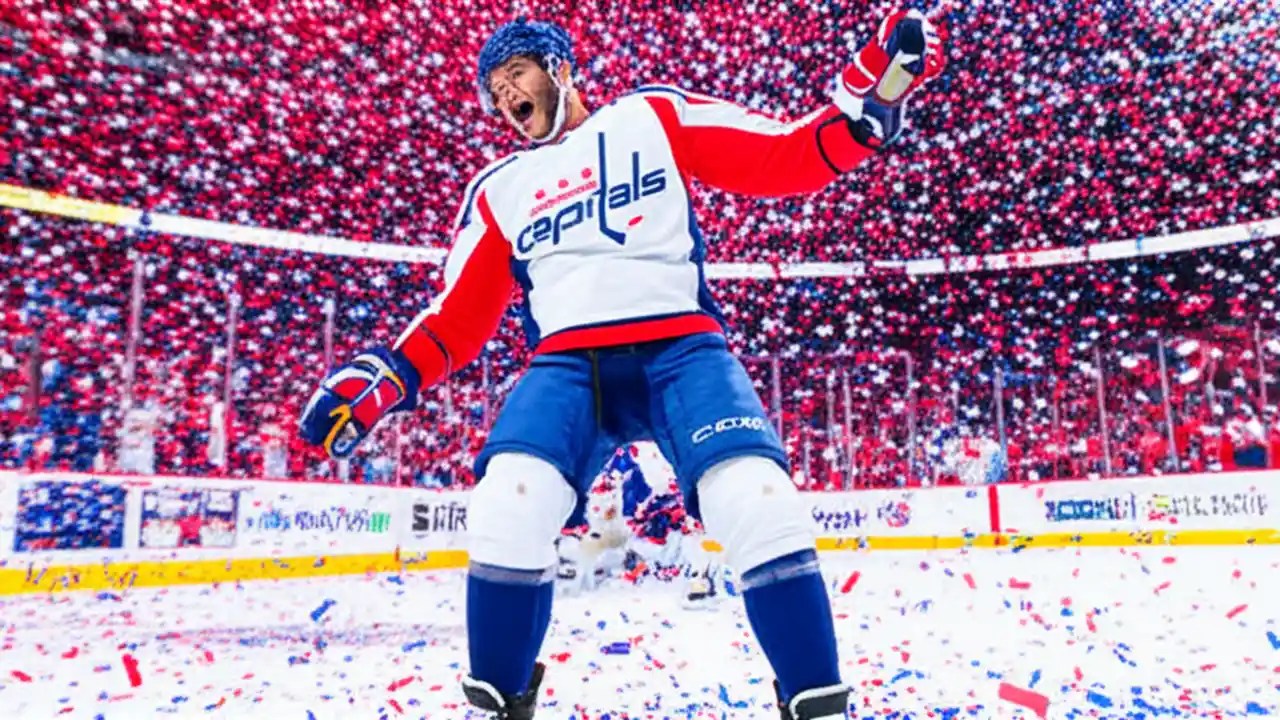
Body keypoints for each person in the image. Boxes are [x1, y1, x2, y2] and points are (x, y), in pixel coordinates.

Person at [299, 11, 943, 719]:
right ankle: (498, 707)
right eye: (493, 90)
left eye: (515, 73)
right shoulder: (498, 188)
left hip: (682, 349)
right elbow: (457, 316)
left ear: (559, 68)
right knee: (507, 507)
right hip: (566, 365)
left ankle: (818, 706)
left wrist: (859, 114)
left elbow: (782, 156)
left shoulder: (650, 116)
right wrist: (386, 376)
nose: (503, 95)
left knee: (759, 502)